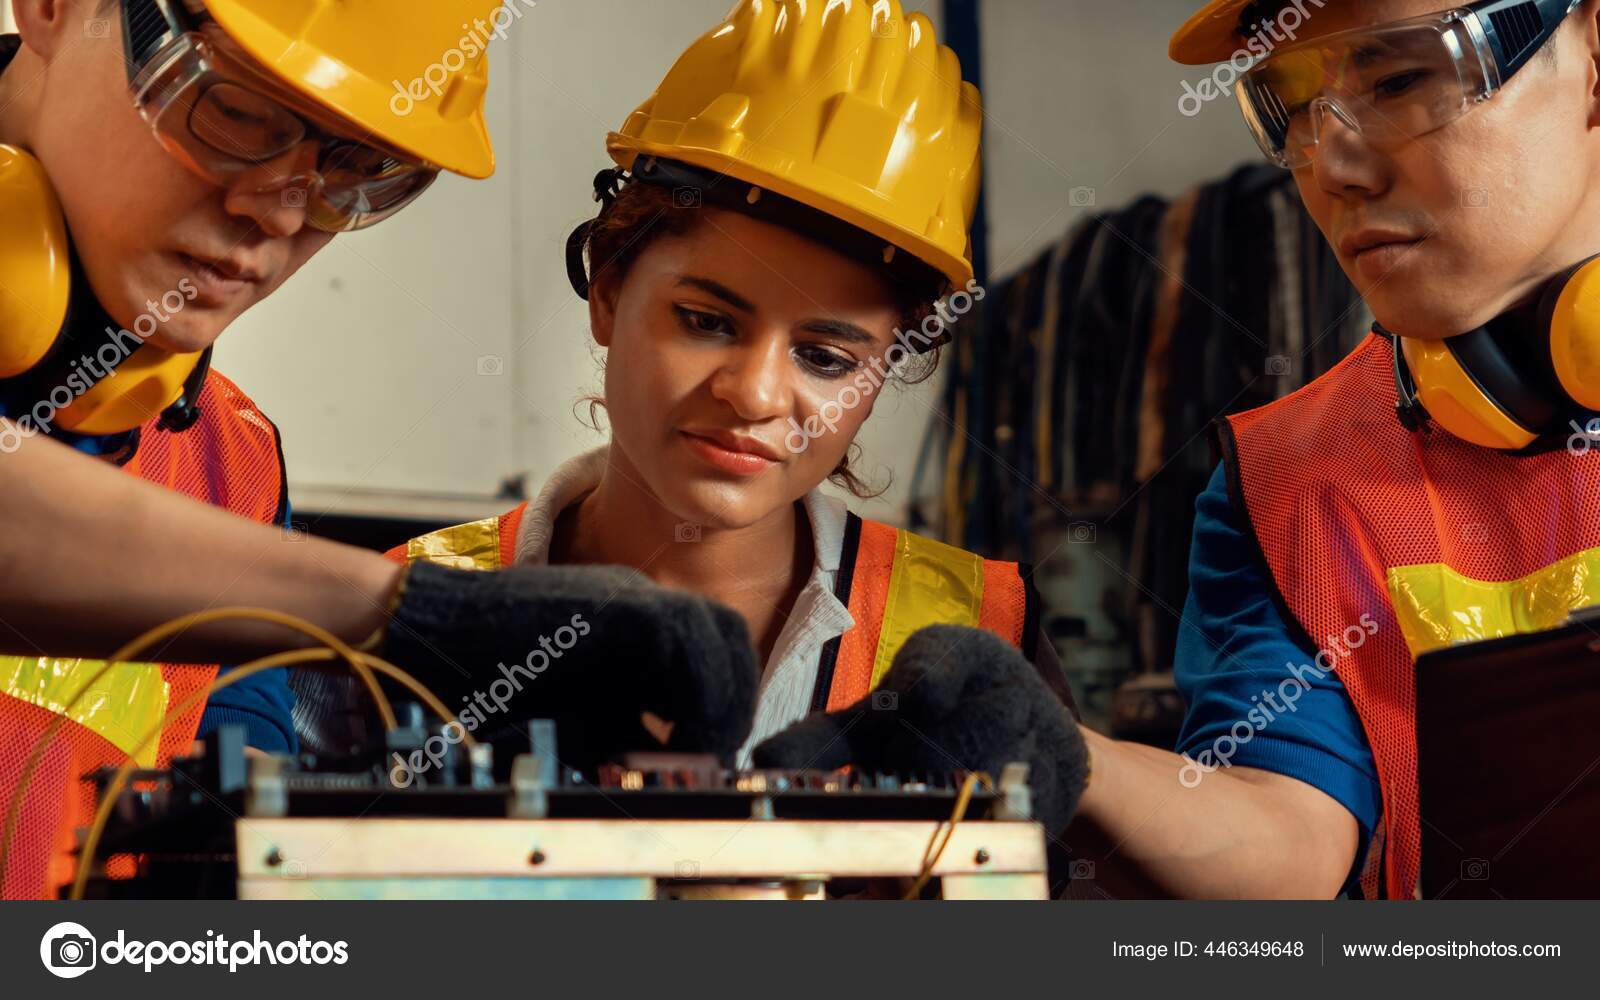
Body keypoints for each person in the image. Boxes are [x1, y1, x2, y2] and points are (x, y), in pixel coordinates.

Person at [0, 0, 757, 900]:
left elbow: (222, 872)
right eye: (238, 111)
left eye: (355, 167)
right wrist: (414, 620)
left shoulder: (227, 464)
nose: (277, 216)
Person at [384, 0, 1089, 828]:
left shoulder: (988, 637)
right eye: (707, 321)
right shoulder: (403, 612)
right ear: (607, 290)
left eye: (826, 358)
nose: (754, 396)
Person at [1063, 0, 1600, 899]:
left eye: (1398, 80)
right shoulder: (1287, 482)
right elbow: (1291, 831)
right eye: (1294, 110)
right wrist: (1069, 761)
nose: (1333, 167)